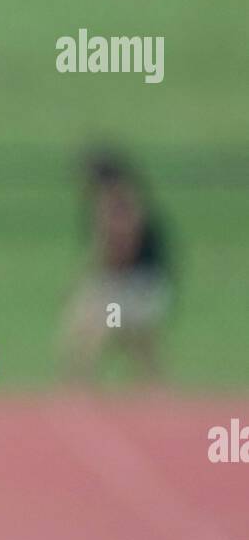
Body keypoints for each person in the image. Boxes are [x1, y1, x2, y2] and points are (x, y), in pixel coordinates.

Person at [60, 150, 171, 384]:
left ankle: (80, 385)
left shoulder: (117, 198)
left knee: (94, 331)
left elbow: (122, 242)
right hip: (136, 278)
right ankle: (151, 387)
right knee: (133, 340)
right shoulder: (124, 196)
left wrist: (102, 276)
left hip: (132, 279)